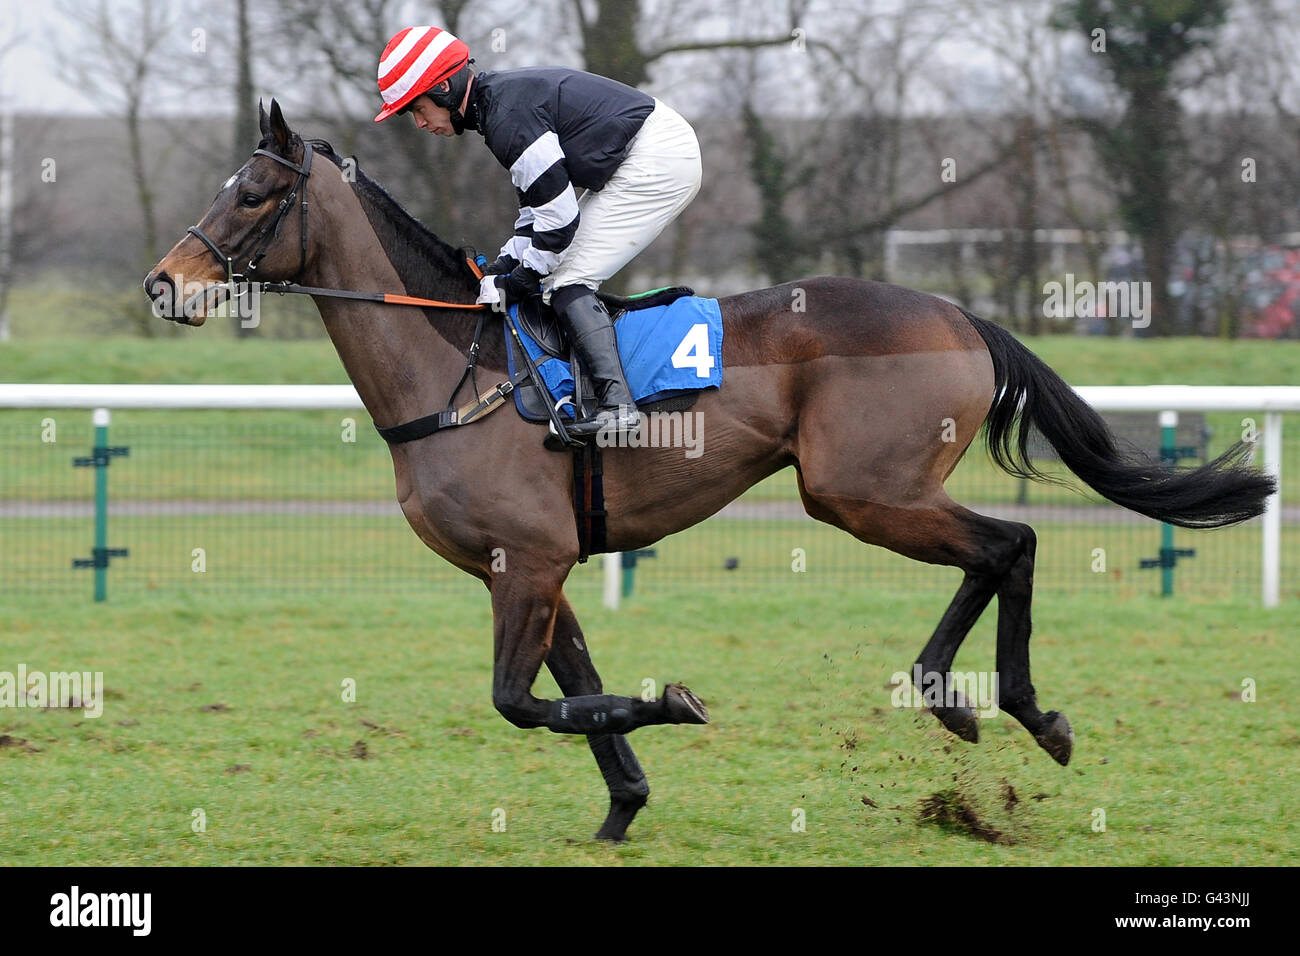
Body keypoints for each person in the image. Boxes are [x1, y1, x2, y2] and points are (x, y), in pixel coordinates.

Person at [374, 25, 702, 438]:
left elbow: (561, 219)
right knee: (552, 272)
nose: (419, 123)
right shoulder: (498, 108)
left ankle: (618, 406)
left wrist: (520, 280)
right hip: (654, 151)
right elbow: (538, 211)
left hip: (658, 159)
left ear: (443, 88)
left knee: (564, 279)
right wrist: (504, 266)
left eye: (417, 109)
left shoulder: (506, 116)